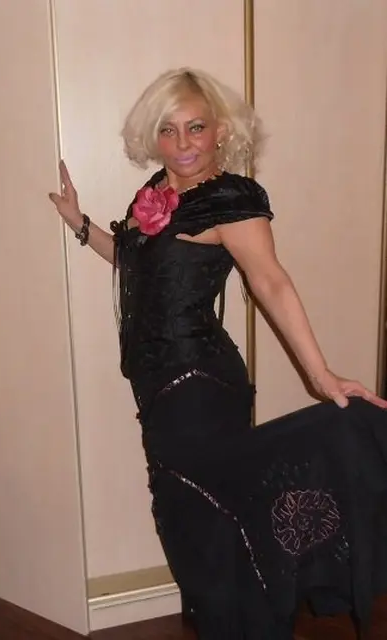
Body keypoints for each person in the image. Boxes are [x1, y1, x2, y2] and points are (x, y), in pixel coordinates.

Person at [49, 68, 387, 640]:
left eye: (196, 127)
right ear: (153, 137)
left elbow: (271, 282)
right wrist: (81, 225)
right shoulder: (155, 193)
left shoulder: (231, 200)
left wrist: (320, 374)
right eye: (169, 130)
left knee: (200, 524)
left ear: (221, 132)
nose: (183, 143)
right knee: (201, 522)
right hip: (157, 386)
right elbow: (137, 265)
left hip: (197, 383)